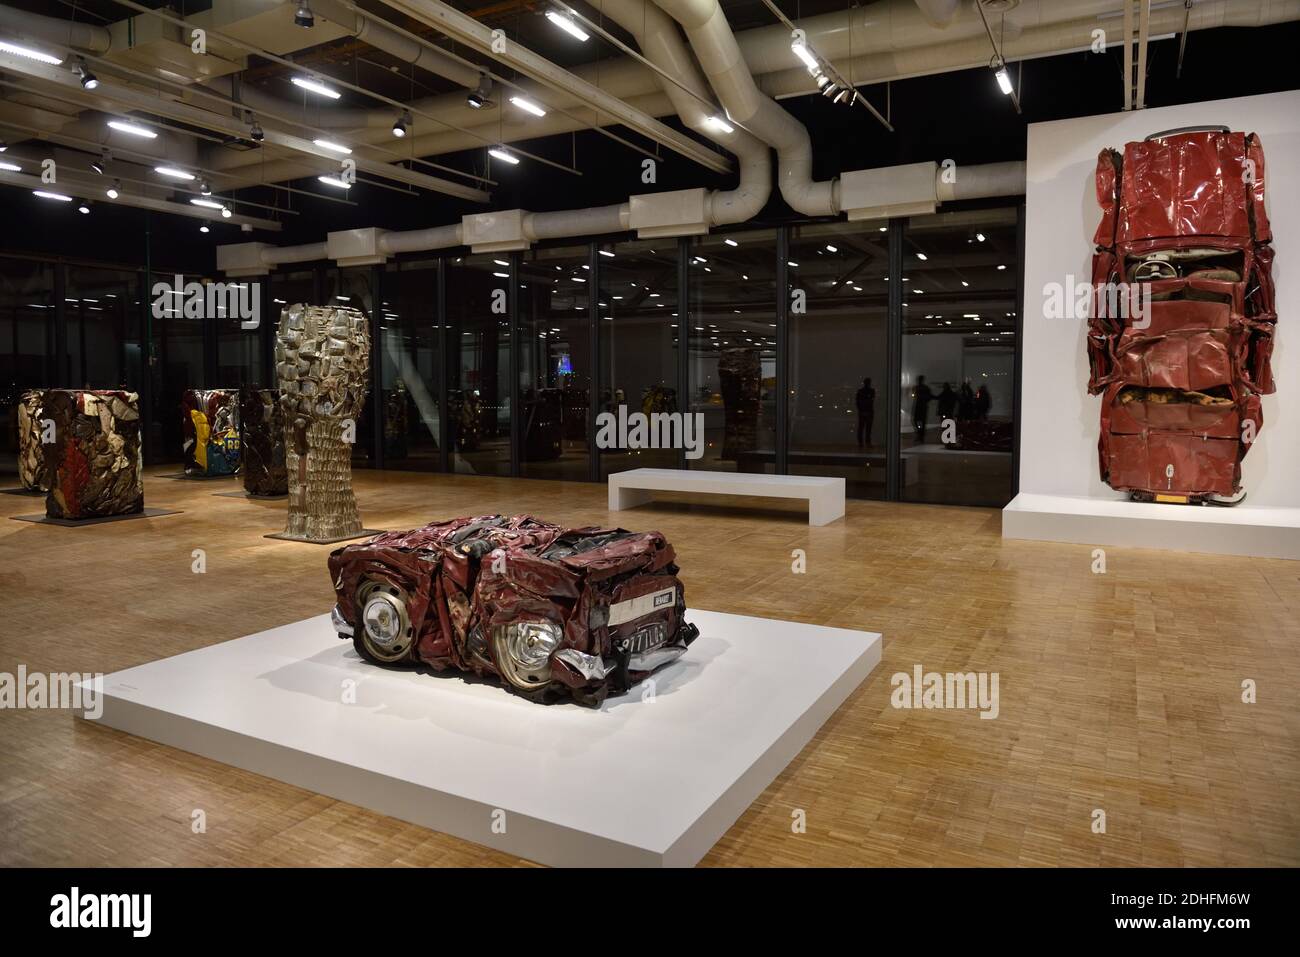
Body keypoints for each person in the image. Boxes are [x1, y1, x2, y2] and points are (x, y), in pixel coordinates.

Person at [911, 375, 934, 445]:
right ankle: (921, 435)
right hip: (923, 407)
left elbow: (914, 395)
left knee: (915, 420)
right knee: (922, 422)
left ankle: (919, 433)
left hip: (918, 406)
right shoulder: (926, 388)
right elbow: (929, 397)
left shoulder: (916, 388)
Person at [855, 376, 876, 447]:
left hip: (863, 411)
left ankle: (861, 442)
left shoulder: (860, 391)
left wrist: (861, 410)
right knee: (868, 428)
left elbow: (858, 402)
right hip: (869, 411)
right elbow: (871, 400)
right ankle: (867, 442)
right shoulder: (872, 391)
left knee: (861, 428)